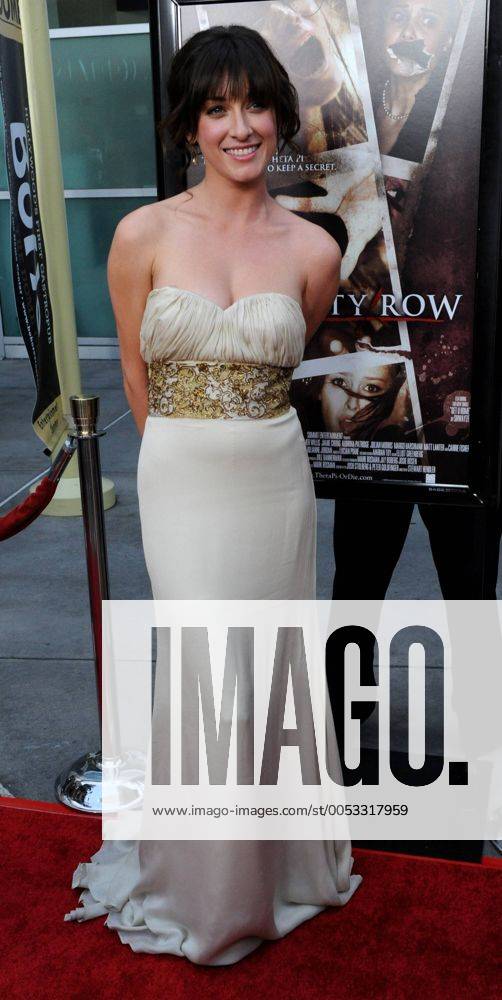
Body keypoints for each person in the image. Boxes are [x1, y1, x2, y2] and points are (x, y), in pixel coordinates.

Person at [63, 25, 362, 965]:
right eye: (217, 108)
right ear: (189, 125)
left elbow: (288, 362)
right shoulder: (142, 234)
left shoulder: (314, 248)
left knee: (270, 672)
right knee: (204, 674)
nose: (241, 127)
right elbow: (137, 374)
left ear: (281, 116)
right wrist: (176, 460)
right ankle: (202, 884)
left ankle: (274, 870)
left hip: (272, 480)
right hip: (183, 481)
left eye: (256, 105)